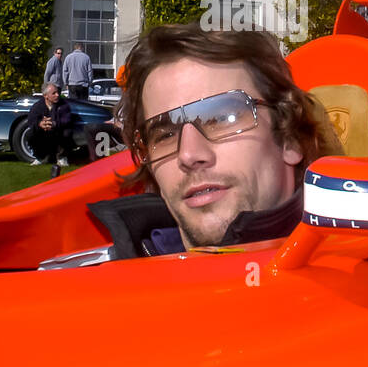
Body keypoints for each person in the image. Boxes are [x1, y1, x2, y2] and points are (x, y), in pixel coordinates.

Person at [107, 23, 327, 256]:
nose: (189, 155)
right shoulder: (105, 271)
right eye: (165, 135)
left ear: (290, 138)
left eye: (222, 118)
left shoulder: (349, 268)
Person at [25, 81, 73, 175]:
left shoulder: (63, 105)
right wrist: (40, 124)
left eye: (57, 92)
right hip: (44, 134)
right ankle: (40, 157)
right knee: (30, 134)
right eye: (54, 93)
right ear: (46, 96)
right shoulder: (37, 106)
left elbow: (67, 120)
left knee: (67, 132)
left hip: (58, 133)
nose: (57, 95)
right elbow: (31, 120)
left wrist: (54, 123)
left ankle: (61, 157)